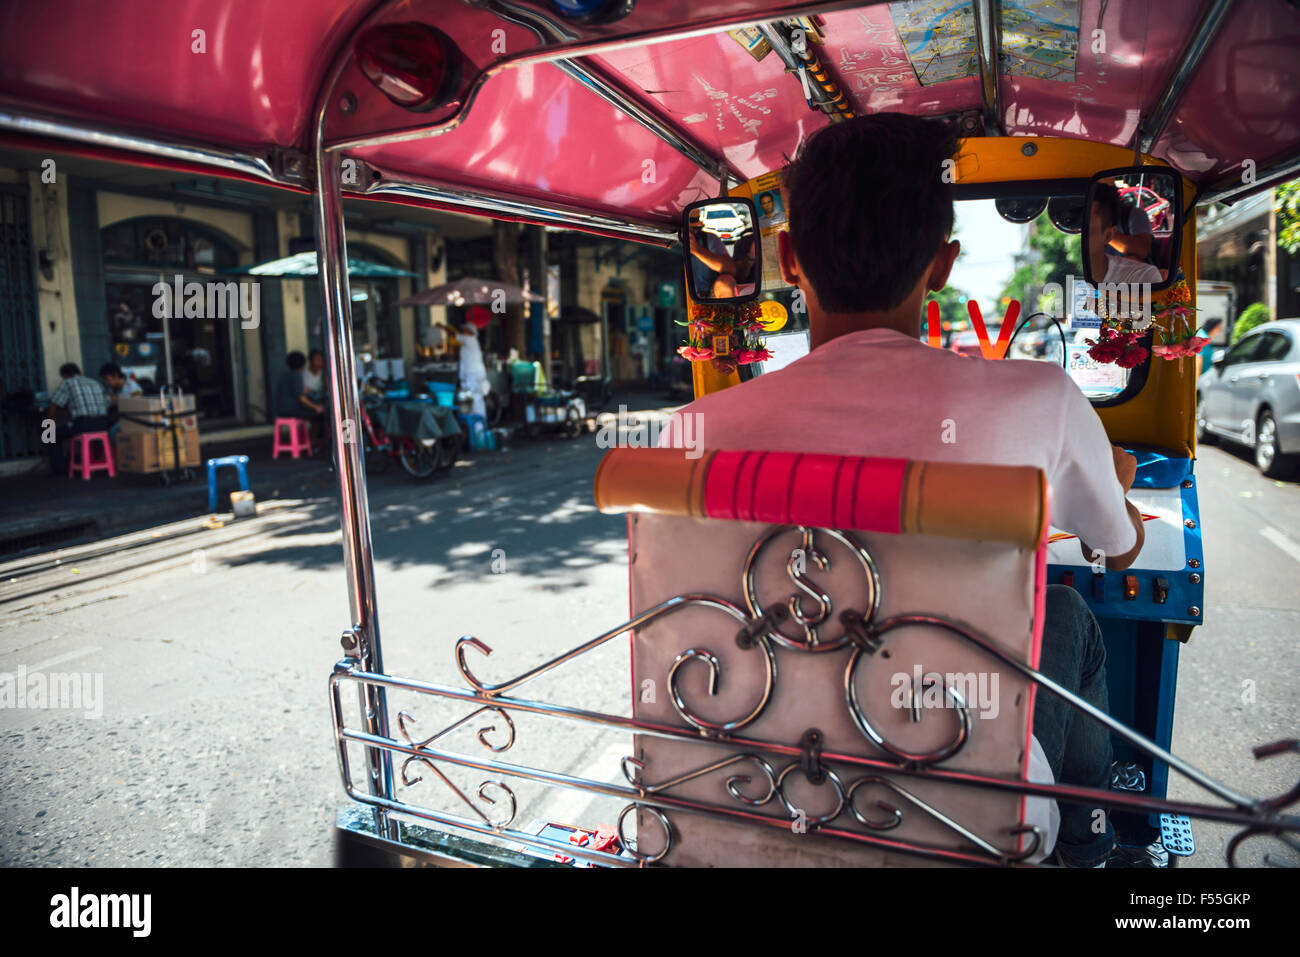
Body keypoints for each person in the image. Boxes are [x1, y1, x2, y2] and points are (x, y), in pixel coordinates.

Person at [661, 113, 1149, 867]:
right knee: (1073, 614)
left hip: (746, 797)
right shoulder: (1043, 402)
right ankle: (1088, 845)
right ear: (944, 264)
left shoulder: (685, 436)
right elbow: (1119, 551)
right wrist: (1111, 482)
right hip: (969, 820)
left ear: (788, 258)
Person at [45, 362, 111, 475]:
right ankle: (77, 463)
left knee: (50, 435)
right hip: (103, 424)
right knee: (71, 429)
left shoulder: (67, 382)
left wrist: (49, 423)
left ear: (65, 375)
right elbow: (107, 403)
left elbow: (53, 405)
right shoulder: (95, 382)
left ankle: (59, 471)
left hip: (84, 424)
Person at [274, 350, 326, 447]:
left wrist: (304, 390)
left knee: (315, 413)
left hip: (281, 409)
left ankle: (310, 441)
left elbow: (294, 391)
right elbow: (301, 398)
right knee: (319, 415)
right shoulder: (296, 375)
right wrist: (316, 407)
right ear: (303, 364)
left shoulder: (286, 375)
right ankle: (315, 442)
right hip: (291, 410)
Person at [687, 209, 736, 299]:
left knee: (726, 282)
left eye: (694, 229)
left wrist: (697, 250)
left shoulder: (709, 239)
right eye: (688, 230)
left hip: (707, 295)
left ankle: (725, 310)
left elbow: (730, 268)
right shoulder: (661, 241)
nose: (691, 233)